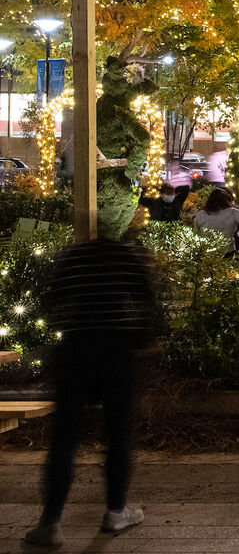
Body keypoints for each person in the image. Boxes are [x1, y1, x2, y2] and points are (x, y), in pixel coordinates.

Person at [25, 231, 161, 548]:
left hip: (76, 352)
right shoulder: (127, 256)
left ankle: (51, 522)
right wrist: (144, 339)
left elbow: (51, 300)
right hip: (115, 351)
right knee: (117, 435)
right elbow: (146, 299)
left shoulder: (73, 257)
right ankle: (115, 511)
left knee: (64, 438)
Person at [192, 188, 239, 256]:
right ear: (226, 201)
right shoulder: (232, 212)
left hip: (207, 255)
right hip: (228, 254)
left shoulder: (201, 215)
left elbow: (195, 233)